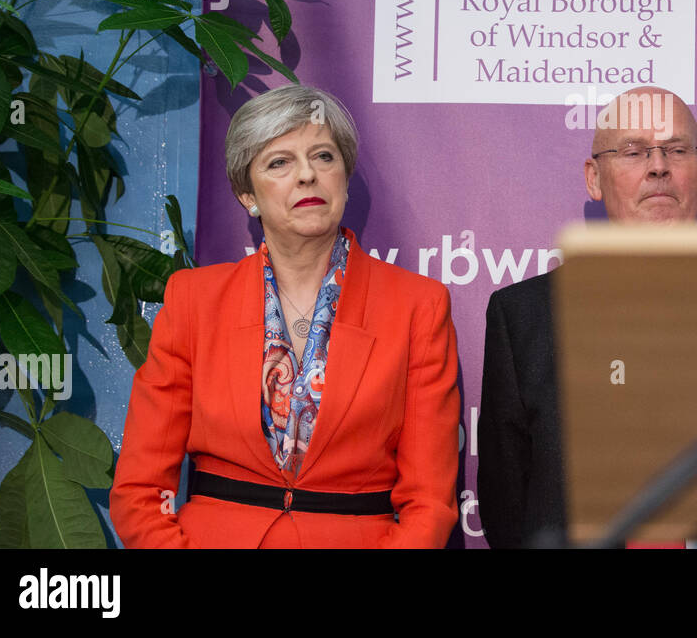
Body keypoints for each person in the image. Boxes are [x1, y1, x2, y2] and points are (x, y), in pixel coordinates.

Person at [111, 84, 460, 547]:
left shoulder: (418, 305)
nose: (307, 176)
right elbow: (140, 487)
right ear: (247, 195)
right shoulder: (193, 299)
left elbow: (429, 501)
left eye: (323, 157)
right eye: (279, 162)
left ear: (345, 177)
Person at [478, 86, 697, 547]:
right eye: (634, 151)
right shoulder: (523, 319)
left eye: (677, 150)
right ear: (593, 177)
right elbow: (507, 507)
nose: (659, 165)